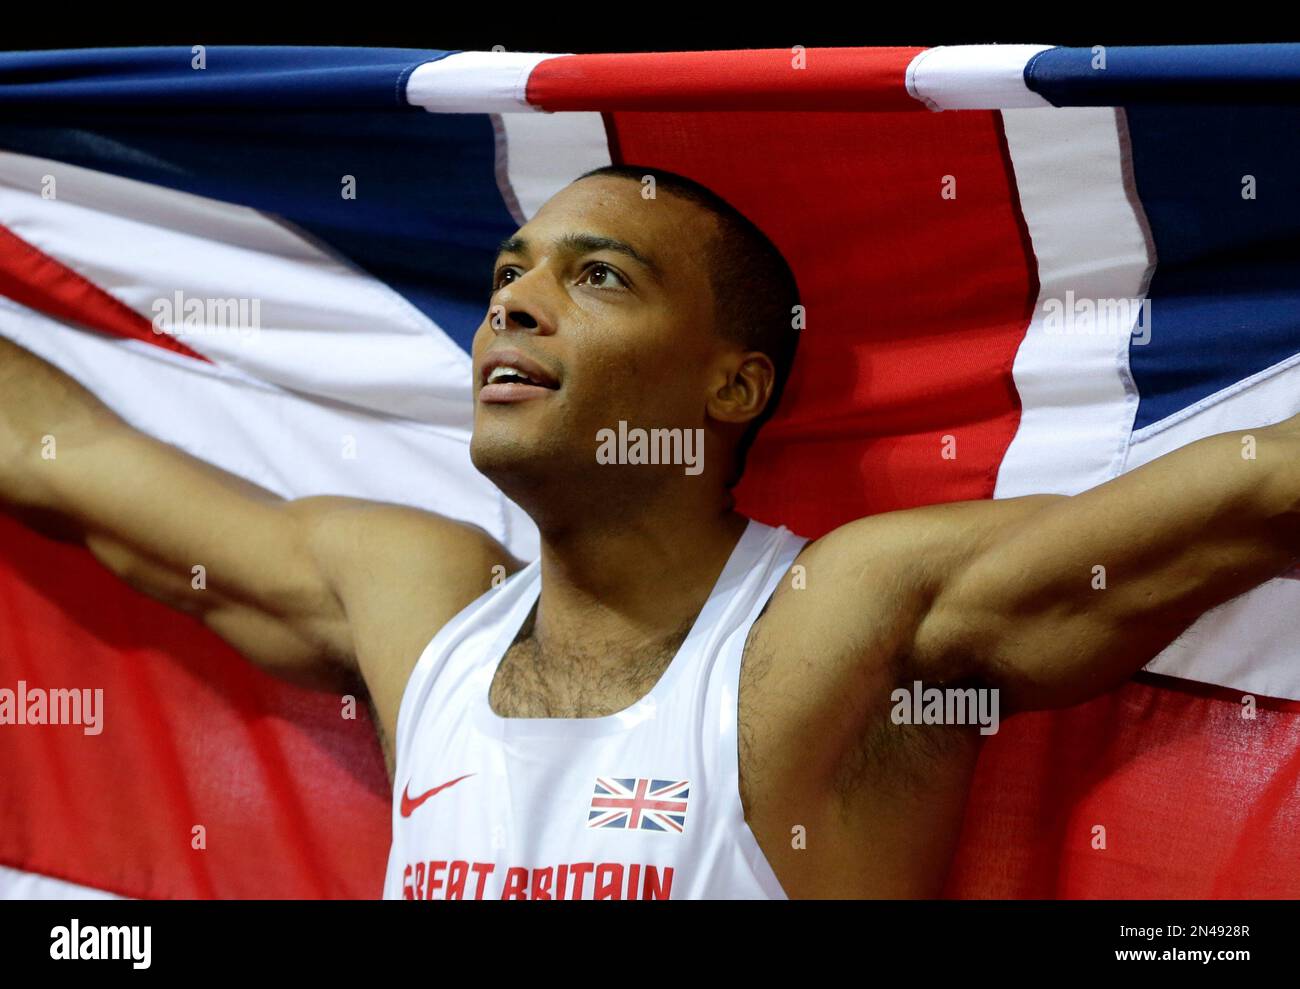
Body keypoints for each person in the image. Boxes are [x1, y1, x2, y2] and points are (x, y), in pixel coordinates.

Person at [1, 165, 1296, 899]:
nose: (515, 303)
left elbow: (1249, 487)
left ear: (734, 385)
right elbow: (64, 463)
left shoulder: (829, 624)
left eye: (597, 275)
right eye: (509, 273)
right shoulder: (417, 604)